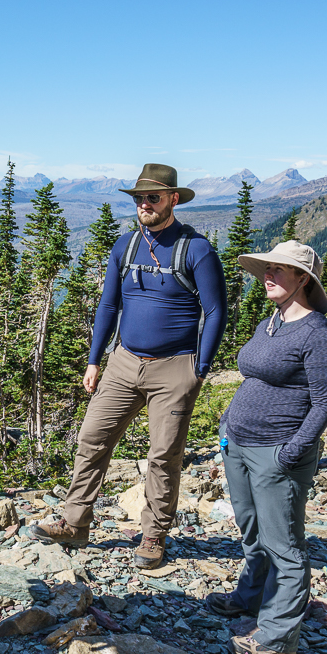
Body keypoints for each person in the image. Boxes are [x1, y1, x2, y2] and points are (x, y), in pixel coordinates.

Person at [32, 163, 228, 572]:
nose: (144, 205)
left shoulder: (196, 250)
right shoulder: (125, 246)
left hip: (175, 366)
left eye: (152, 198)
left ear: (174, 199)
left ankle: (154, 535)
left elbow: (215, 310)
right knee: (92, 439)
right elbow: (108, 305)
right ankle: (74, 523)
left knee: (163, 454)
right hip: (123, 362)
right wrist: (94, 359)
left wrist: (200, 369)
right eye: (139, 198)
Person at [201, 241, 327, 654]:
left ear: (304, 278)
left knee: (283, 543)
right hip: (240, 443)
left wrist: (292, 452)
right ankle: (251, 598)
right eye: (266, 268)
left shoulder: (318, 334)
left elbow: (324, 403)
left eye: (279, 270)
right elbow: (254, 379)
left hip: (277, 450)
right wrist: (226, 425)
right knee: (251, 531)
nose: (268, 275)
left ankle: (279, 637)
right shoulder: (273, 322)